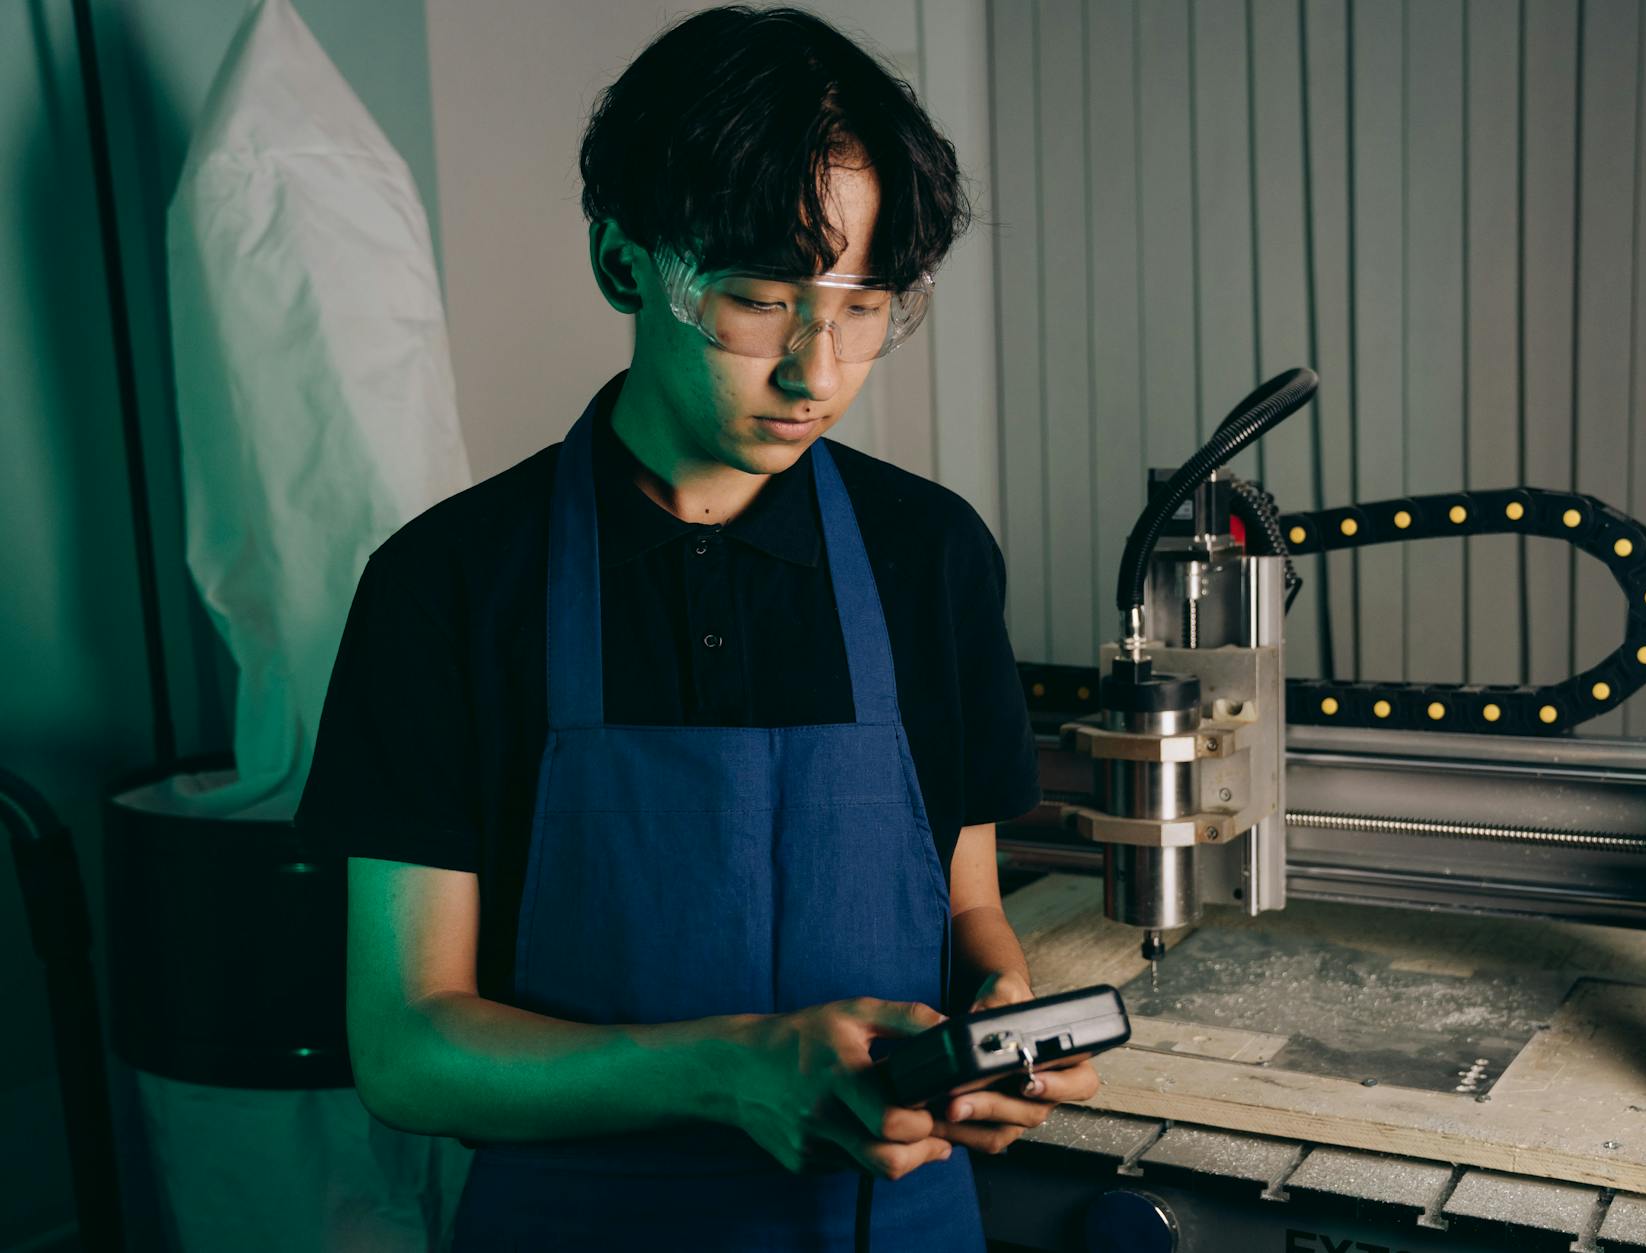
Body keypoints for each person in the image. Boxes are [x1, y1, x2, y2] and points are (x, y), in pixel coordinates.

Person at [294, 6, 1098, 1249]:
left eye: (864, 307)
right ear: (624, 262)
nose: (816, 371)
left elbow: (966, 908)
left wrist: (997, 1014)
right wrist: (726, 1067)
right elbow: (407, 1049)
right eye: (759, 302)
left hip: (895, 1220)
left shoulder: (931, 555)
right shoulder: (447, 583)